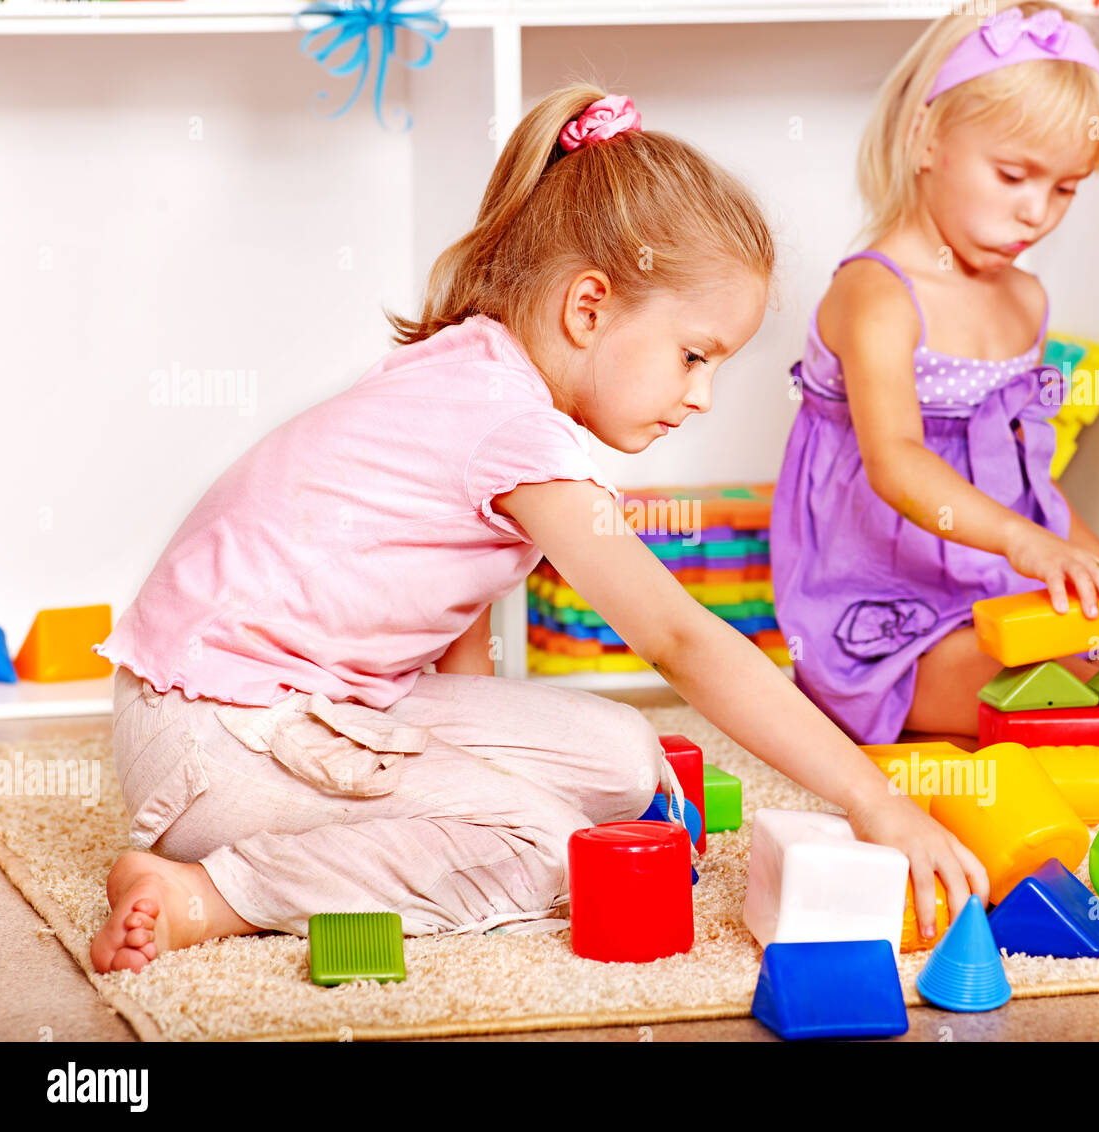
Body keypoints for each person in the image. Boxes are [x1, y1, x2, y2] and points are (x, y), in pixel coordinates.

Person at [90, 85, 988, 976]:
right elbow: (680, 639)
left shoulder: (480, 370)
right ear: (588, 308)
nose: (702, 395)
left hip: (288, 702)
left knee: (627, 760)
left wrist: (473, 760)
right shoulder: (517, 433)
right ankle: (206, 894)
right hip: (214, 736)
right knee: (554, 848)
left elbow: (454, 613)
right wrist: (877, 800)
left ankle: (409, 824)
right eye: (693, 355)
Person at [771, 2, 1099, 747]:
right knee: (1065, 699)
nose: (1037, 212)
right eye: (1014, 175)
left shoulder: (1024, 301)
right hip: (894, 618)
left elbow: (1028, 480)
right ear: (925, 139)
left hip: (1007, 590)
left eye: (1065, 188)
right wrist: (1026, 545)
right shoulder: (875, 295)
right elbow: (898, 464)